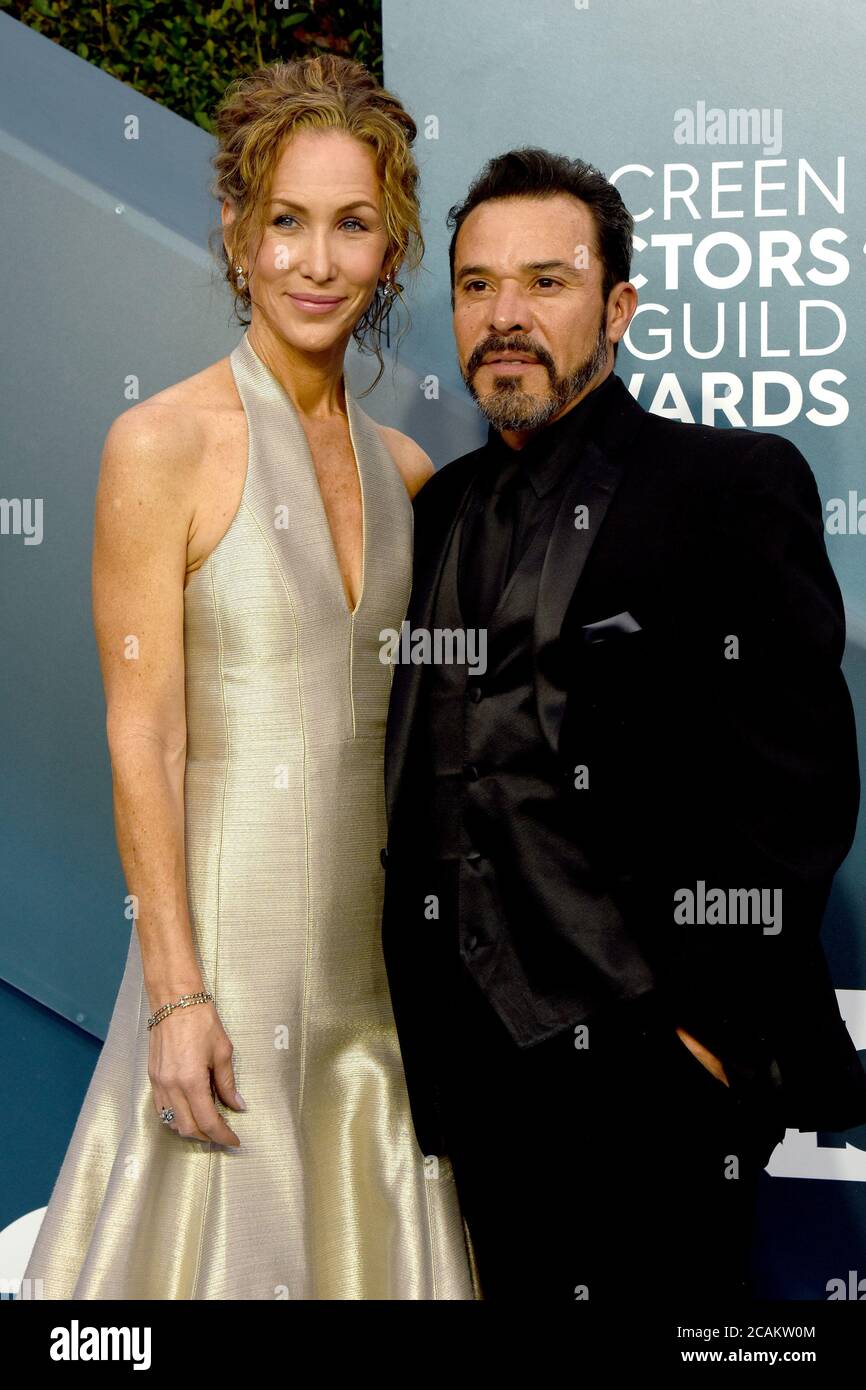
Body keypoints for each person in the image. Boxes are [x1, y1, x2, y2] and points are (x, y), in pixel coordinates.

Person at [22, 56, 477, 1301]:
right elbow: (143, 735)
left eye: (350, 225)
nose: (316, 263)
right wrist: (176, 995)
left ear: (390, 251)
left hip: (376, 980)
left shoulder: (407, 473)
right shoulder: (160, 443)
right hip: (222, 960)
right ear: (235, 231)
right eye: (286, 221)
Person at [380, 147, 866, 1304]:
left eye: (545, 282)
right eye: (476, 285)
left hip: (658, 1069)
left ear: (619, 306)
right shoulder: (434, 508)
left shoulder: (728, 482)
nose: (505, 317)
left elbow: (798, 784)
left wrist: (707, 1034)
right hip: (473, 1074)